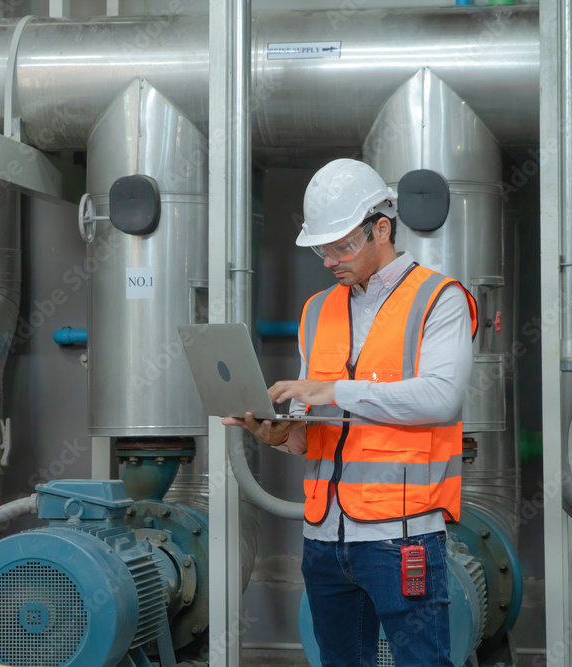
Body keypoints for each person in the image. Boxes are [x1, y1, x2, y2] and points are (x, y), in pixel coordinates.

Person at [224, 158, 476, 666]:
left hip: (400, 535)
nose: (329, 260)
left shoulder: (439, 299)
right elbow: (311, 433)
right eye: (322, 248)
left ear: (381, 229)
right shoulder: (318, 310)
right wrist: (275, 435)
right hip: (323, 539)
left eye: (341, 246)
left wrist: (335, 389)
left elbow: (440, 397)